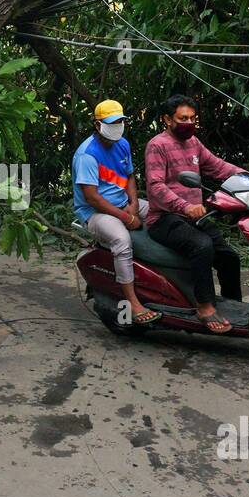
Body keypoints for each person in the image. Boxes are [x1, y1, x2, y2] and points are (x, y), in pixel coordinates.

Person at [145, 94, 249, 333]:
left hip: (194, 217)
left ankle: (234, 307)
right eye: (183, 118)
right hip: (164, 219)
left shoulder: (194, 143)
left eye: (192, 118)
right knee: (202, 246)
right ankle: (204, 306)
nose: (188, 122)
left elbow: (218, 167)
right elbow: (156, 187)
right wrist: (185, 206)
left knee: (229, 257)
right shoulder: (157, 145)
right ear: (167, 120)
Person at [73, 99, 161, 326]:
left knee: (162, 212)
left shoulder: (122, 144)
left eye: (120, 122)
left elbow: (130, 176)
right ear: (97, 125)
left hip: (123, 203)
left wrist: (132, 204)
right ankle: (132, 302)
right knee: (122, 241)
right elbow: (92, 197)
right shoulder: (87, 155)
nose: (117, 126)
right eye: (111, 123)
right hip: (94, 212)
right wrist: (126, 217)